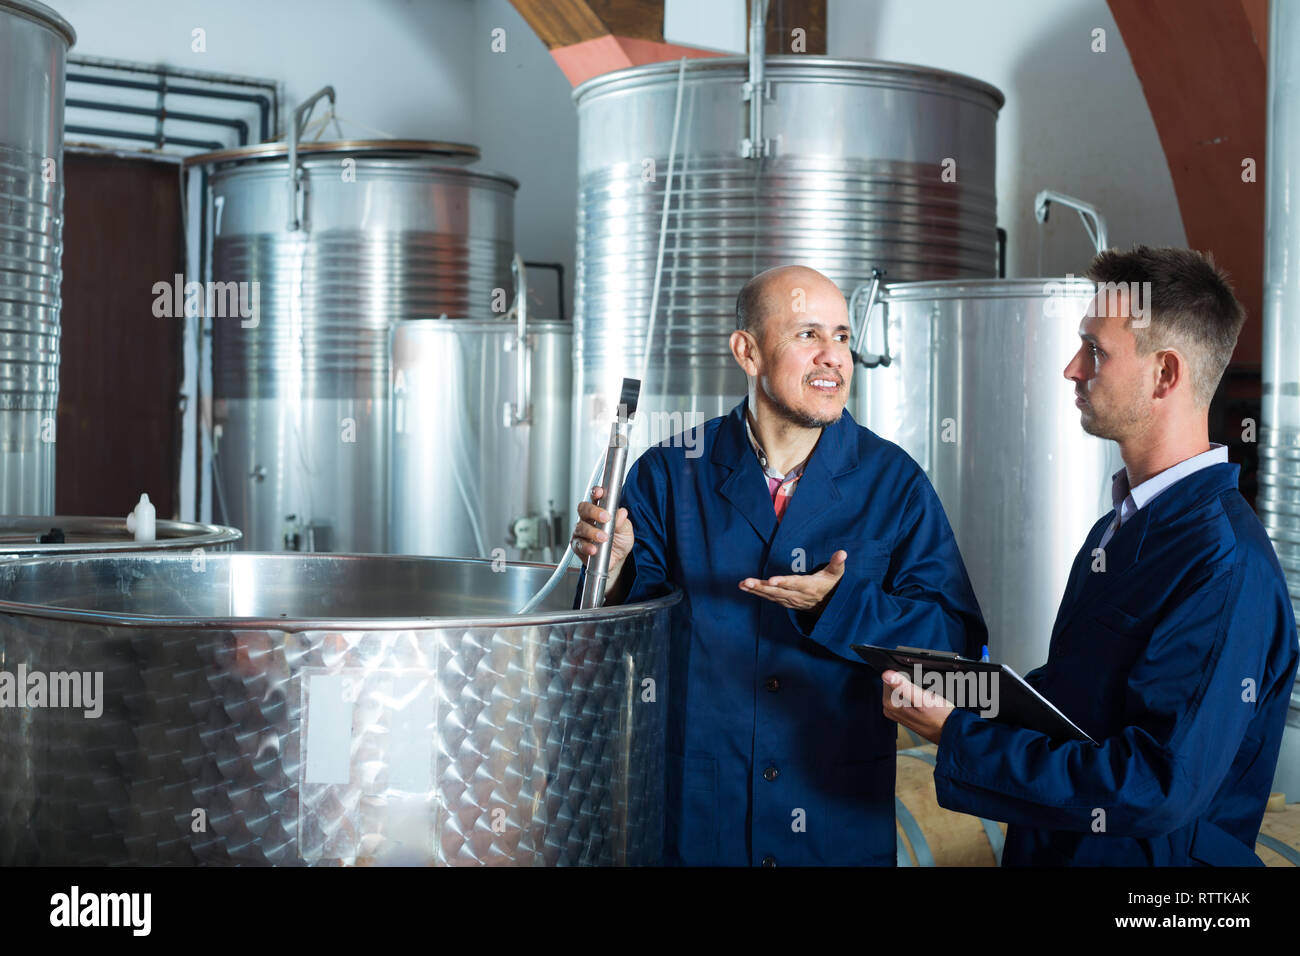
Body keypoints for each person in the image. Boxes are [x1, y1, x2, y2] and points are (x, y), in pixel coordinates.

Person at [883, 246, 1300, 866]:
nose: (1072, 369)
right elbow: (1073, 702)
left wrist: (958, 735)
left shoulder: (1223, 565)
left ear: (1165, 374)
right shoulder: (1121, 525)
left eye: (1095, 350)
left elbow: (1156, 786)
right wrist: (958, 691)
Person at [572, 264, 987, 865]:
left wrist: (839, 607)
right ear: (748, 351)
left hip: (832, 815)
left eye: (842, 337)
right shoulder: (669, 472)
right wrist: (610, 572)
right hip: (697, 818)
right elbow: (622, 648)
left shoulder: (893, 482)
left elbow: (957, 649)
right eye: (807, 335)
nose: (833, 358)